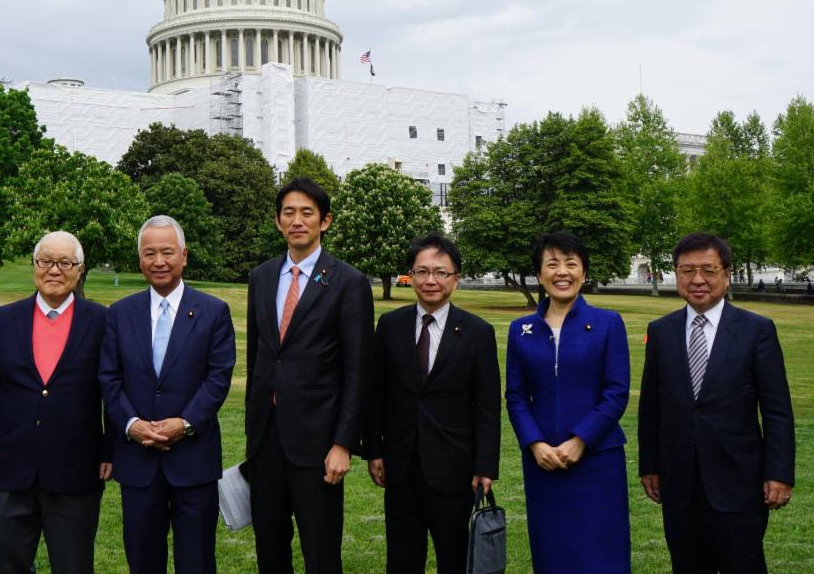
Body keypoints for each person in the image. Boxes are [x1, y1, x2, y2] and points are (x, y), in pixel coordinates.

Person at [638, 232, 795, 574]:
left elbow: (777, 410)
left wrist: (779, 473)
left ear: (726, 274)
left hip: (738, 483)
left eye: (708, 270)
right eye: (687, 270)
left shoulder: (756, 330)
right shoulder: (661, 331)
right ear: (676, 273)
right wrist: (649, 465)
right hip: (678, 485)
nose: (697, 280)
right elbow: (651, 406)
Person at [245, 177, 374, 573]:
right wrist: (252, 433)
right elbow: (258, 358)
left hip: (319, 442)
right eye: (289, 213)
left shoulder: (349, 282)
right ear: (277, 221)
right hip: (266, 439)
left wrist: (343, 443)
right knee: (270, 550)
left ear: (325, 221)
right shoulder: (261, 277)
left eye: (307, 213)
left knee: (320, 553)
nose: (297, 221)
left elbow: (358, 371)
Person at [0, 230, 112, 573]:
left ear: (80, 269)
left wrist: (110, 450)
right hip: (11, 466)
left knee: (74, 565)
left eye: (65, 263)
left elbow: (113, 390)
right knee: (10, 564)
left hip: (76, 469)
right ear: (34, 265)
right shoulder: (0, 320)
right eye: (45, 261)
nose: (54, 270)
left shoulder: (103, 321)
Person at [99, 216, 236, 574]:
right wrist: (132, 424)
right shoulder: (120, 313)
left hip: (193, 460)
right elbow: (109, 379)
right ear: (140, 259)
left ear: (184, 256)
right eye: (149, 253)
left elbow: (218, 378)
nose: (158, 261)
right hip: (138, 461)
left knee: (196, 561)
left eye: (167, 252)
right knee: (143, 560)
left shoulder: (213, 311)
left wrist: (185, 423)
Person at [363, 233, 500, 574]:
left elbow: (486, 406)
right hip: (400, 465)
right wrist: (374, 450)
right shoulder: (390, 325)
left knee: (453, 559)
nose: (430, 280)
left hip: (454, 469)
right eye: (422, 271)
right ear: (410, 275)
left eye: (441, 272)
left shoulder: (478, 332)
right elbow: (376, 392)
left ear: (456, 279)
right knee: (402, 559)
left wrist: (485, 465)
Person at [505, 231, 631, 574]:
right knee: (553, 552)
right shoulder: (521, 330)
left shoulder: (608, 323)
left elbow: (616, 392)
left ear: (584, 273)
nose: (562, 272)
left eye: (571, 264)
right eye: (552, 264)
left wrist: (581, 440)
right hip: (543, 462)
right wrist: (535, 444)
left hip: (597, 461)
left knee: (601, 554)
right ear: (539, 274)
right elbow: (516, 395)